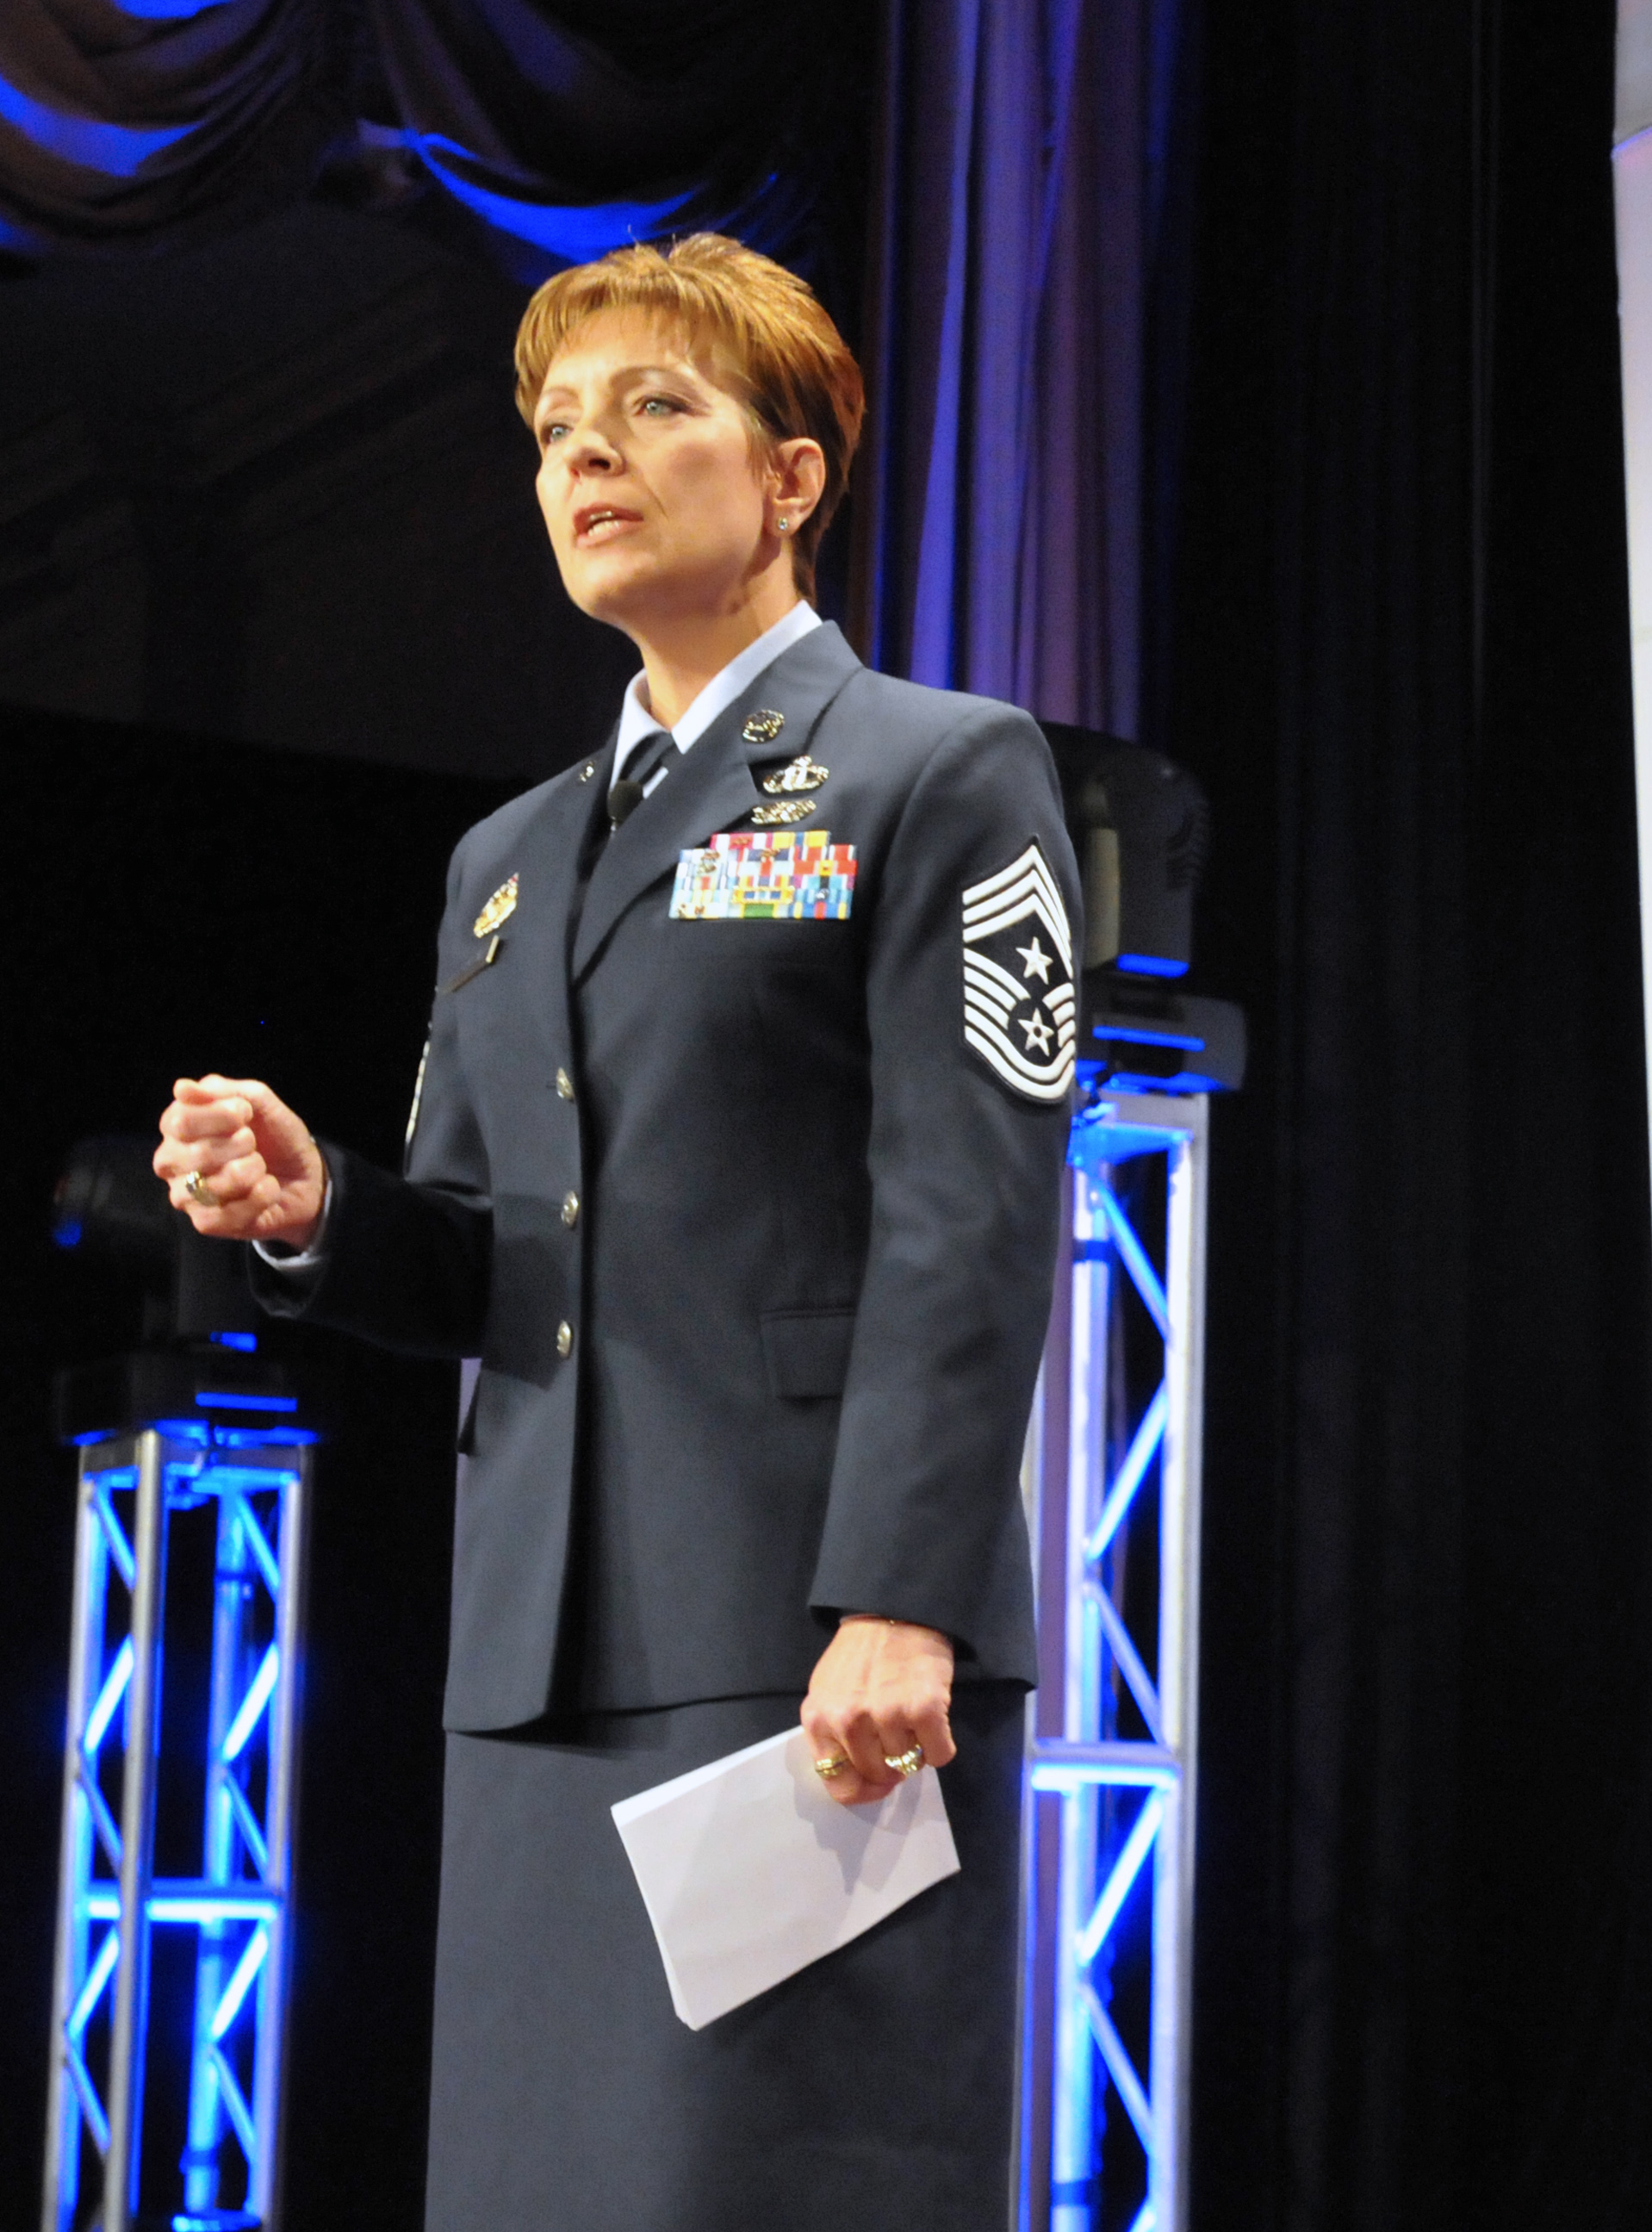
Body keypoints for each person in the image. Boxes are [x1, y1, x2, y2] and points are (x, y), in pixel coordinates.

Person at [151, 233, 1078, 2230]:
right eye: (559, 427)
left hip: (803, 1654)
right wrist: (325, 1215)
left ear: (793, 473)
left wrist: (901, 1596)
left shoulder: (938, 769)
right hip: (544, 1672)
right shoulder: (510, 861)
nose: (590, 457)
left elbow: (974, 1209)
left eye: (655, 409)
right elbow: (494, 1255)